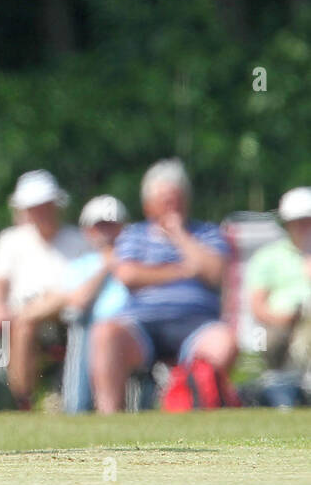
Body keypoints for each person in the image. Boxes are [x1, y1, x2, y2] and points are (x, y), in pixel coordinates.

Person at [90, 159, 235, 413]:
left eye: (177, 198)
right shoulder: (134, 234)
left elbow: (214, 272)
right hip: (141, 325)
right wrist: (182, 270)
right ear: (148, 205)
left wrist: (180, 235)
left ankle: (200, 405)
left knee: (224, 343)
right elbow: (127, 275)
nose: (172, 206)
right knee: (104, 333)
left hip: (196, 324)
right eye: (165, 200)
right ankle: (109, 416)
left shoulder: (207, 233)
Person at [0, 170, 86, 409]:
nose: (41, 212)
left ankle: (23, 401)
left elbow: (80, 290)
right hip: (19, 318)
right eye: (34, 207)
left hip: (66, 318)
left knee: (26, 321)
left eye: (46, 205)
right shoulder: (10, 240)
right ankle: (22, 397)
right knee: (22, 324)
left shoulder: (78, 241)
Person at [49, 195, 130, 413]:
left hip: (128, 328)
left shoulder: (135, 260)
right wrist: (106, 266)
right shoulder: (81, 266)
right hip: (90, 329)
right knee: (88, 331)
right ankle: (78, 407)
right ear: (87, 231)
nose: (107, 233)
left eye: (112, 226)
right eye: (100, 226)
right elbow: (78, 301)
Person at [241, 186, 311, 407]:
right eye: (298, 221)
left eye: (307, 221)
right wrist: (285, 317)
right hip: (279, 328)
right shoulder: (268, 257)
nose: (304, 227)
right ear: (287, 224)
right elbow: (257, 306)